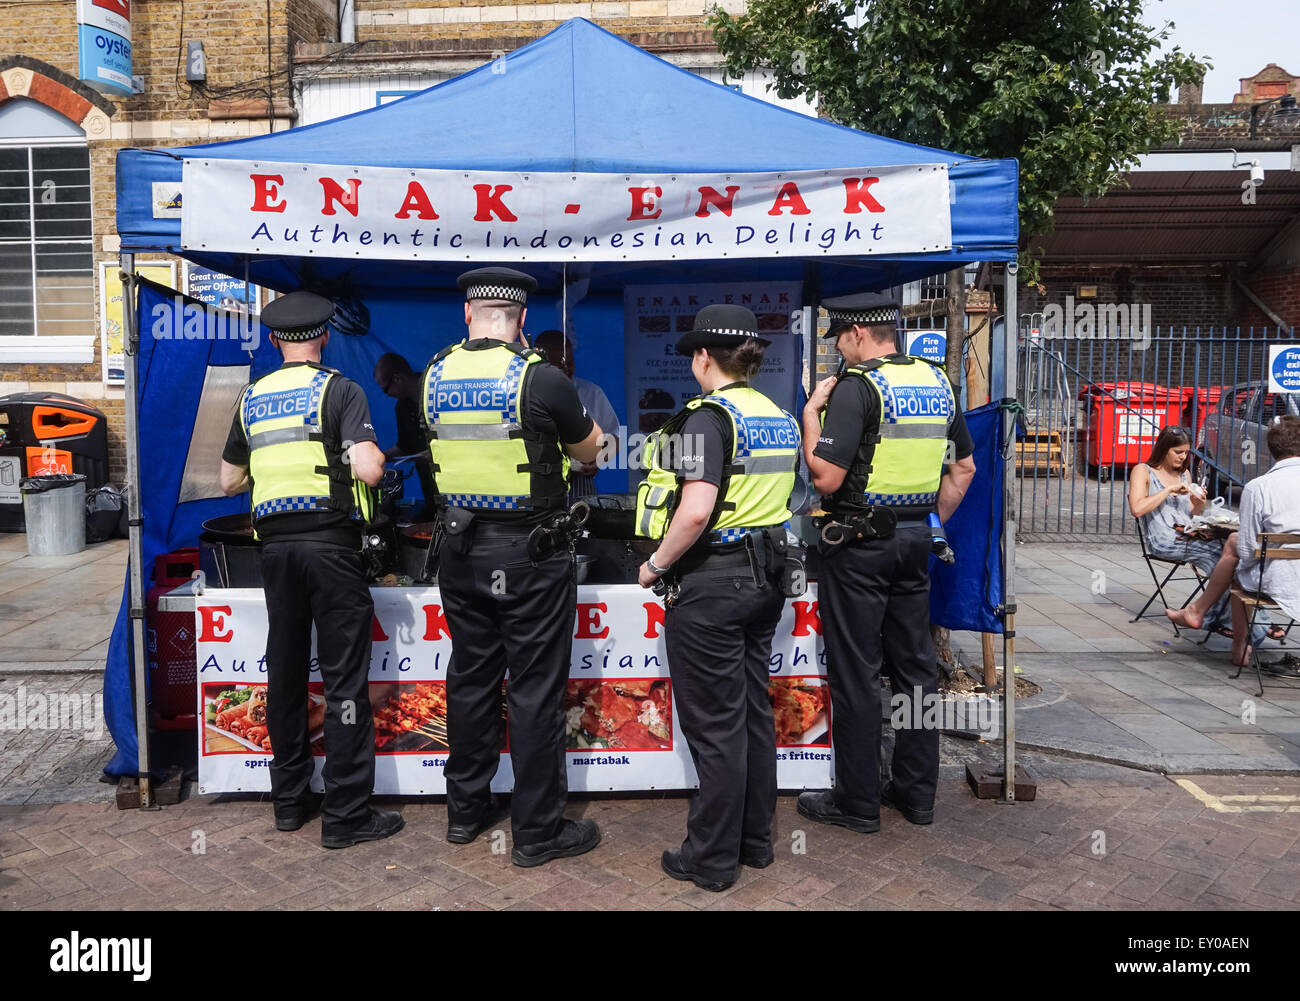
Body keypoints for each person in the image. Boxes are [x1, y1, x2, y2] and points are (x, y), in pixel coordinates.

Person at [423, 266, 605, 867]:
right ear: (523, 320)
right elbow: (590, 452)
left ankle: (464, 813)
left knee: (471, 680)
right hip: (529, 553)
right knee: (533, 691)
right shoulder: (542, 378)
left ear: (467, 315)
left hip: (459, 548)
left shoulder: (435, 373)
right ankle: (536, 833)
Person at [219, 291, 403, 849]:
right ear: (324, 338)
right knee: (344, 680)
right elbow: (370, 470)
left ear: (276, 342)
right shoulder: (340, 390)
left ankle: (289, 802)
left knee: (287, 673)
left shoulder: (251, 398)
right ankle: (346, 816)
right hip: (331, 547)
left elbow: (228, 480)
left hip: (274, 552)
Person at [635, 304, 800, 892]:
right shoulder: (776, 415)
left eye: (693, 358)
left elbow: (697, 508)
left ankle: (709, 859)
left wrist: (656, 564)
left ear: (705, 357)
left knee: (715, 728)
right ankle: (754, 841)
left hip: (713, 586)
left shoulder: (705, 419)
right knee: (753, 714)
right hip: (765, 582)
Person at [796, 292, 975, 833]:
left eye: (841, 341)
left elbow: (824, 476)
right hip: (915, 542)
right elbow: (963, 468)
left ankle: (856, 801)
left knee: (855, 674)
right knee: (915, 671)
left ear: (856, 334)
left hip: (859, 548)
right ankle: (917, 795)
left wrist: (810, 415)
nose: (841, 352)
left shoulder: (858, 386)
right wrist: (922, 524)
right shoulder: (936, 381)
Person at [1132, 425, 1276, 647]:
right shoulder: (1143, 471)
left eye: (1186, 452)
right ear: (1163, 449)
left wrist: (1198, 504)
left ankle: (1233, 617)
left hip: (1188, 534)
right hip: (1163, 538)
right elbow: (1138, 509)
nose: (1183, 457)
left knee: (1233, 552)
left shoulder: (1185, 474)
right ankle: (1252, 622)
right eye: (1177, 452)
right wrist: (1167, 490)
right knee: (1221, 557)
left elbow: (1190, 514)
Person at [1229, 416, 1300, 669]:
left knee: (1238, 575)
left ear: (1271, 449)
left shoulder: (1258, 487)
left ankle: (1240, 648)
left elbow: (1248, 550)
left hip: (1275, 578)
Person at [534, 329, 620, 499]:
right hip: (539, 485)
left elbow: (614, 436)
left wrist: (599, 459)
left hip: (580, 486)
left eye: (570, 362)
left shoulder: (591, 392)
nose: (566, 369)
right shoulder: (527, 393)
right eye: (558, 363)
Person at [372, 352, 437, 517]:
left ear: (397, 378)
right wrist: (378, 457)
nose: (387, 395)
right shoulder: (401, 407)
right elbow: (405, 448)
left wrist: (437, 452)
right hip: (430, 490)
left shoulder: (436, 391)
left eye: (386, 389)